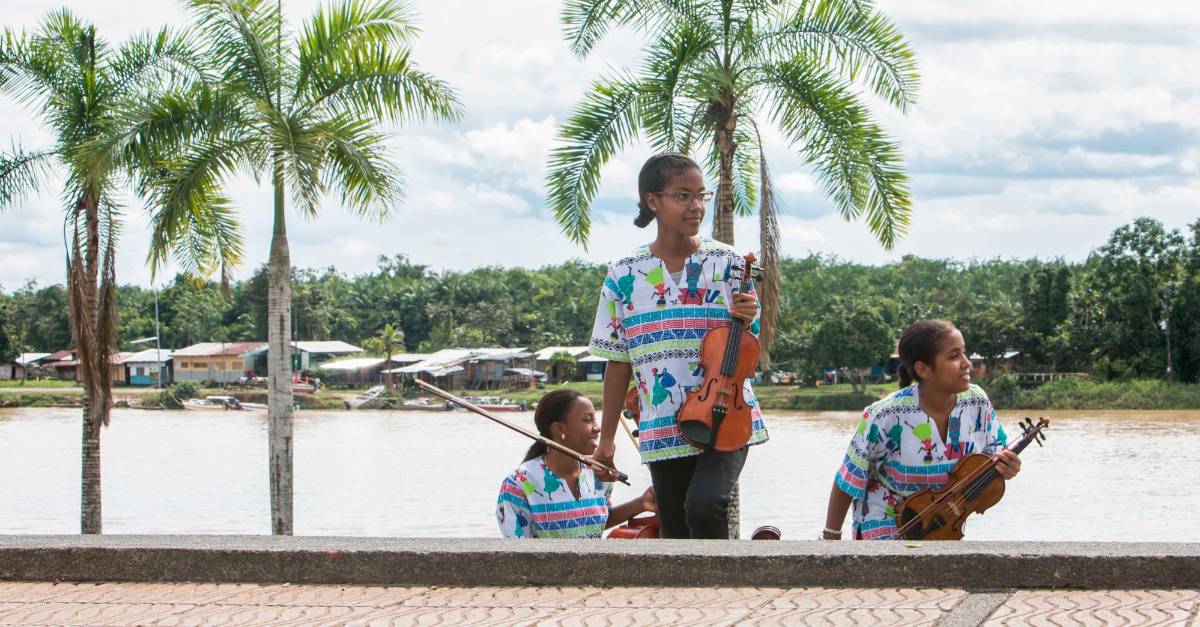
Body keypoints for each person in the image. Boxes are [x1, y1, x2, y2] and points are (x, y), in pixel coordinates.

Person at [587, 152, 768, 539]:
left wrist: (748, 313)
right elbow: (618, 362)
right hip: (661, 422)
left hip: (726, 413)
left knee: (705, 506)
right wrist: (606, 442)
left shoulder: (730, 263)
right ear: (654, 201)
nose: (697, 207)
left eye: (701, 195)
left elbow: (749, 343)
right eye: (683, 196)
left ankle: (723, 594)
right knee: (674, 531)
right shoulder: (623, 274)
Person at [821, 319, 1021, 540]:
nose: (966, 363)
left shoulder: (977, 403)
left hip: (941, 524)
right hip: (884, 522)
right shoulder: (886, 415)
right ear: (923, 369)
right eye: (954, 356)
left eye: (964, 353)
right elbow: (849, 478)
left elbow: (992, 458)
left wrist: (1005, 468)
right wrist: (831, 540)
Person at [496, 389, 655, 538]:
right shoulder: (517, 485)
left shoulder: (599, 475)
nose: (598, 428)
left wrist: (642, 503)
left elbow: (593, 521)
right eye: (587, 420)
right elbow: (517, 550)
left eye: (595, 419)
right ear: (559, 429)